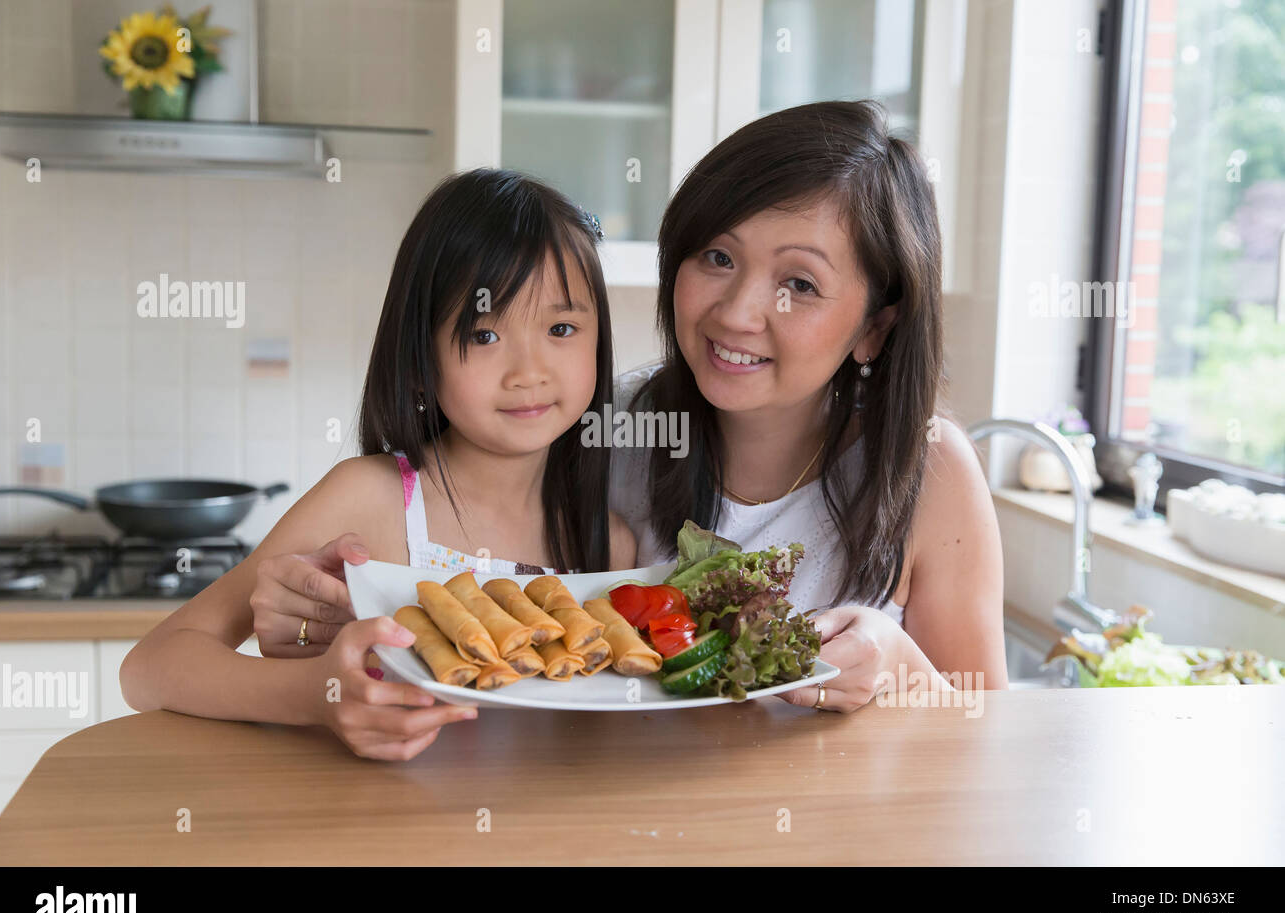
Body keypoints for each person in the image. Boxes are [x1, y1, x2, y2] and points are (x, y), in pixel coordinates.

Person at [251, 100, 1008, 716]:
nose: (739, 311)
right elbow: (449, 552)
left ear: (875, 326)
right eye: (717, 257)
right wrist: (309, 609)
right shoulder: (590, 422)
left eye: (799, 285)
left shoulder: (927, 469)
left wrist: (898, 664)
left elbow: (989, 742)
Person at [120, 169, 637, 760]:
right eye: (485, 335)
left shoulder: (610, 547)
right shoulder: (370, 502)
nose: (529, 371)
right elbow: (151, 668)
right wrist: (316, 694)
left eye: (562, 328)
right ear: (421, 355)